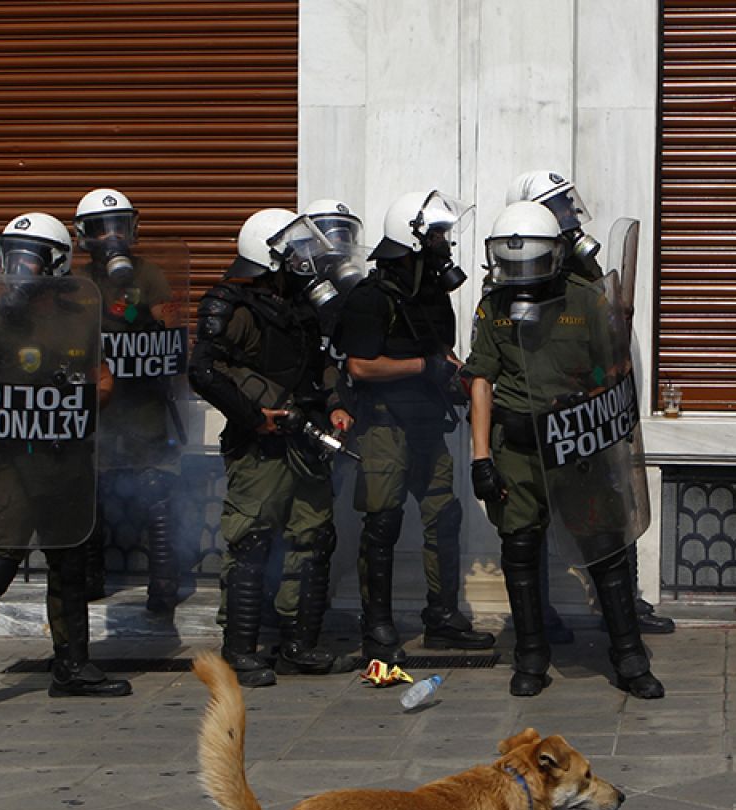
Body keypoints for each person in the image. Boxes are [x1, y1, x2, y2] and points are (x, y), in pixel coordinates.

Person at [0, 213, 132, 726]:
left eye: (31, 256)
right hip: (11, 467)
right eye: (15, 254)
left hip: (65, 462)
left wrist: (80, 399)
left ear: (55, 264)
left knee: (70, 564)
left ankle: (72, 667)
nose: (19, 268)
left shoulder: (79, 319)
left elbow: (103, 380)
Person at [465, 201, 664, 699]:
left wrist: (592, 409)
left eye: (531, 264)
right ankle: (531, 656)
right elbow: (482, 379)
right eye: (513, 266)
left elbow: (614, 371)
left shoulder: (587, 301)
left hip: (578, 443)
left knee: (606, 550)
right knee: (520, 549)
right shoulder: (493, 306)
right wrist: (481, 456)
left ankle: (629, 658)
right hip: (519, 447)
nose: (522, 277)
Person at [189, 208, 356, 688]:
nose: (304, 258)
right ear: (268, 255)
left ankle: (299, 645)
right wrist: (253, 416)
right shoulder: (235, 306)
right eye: (293, 249)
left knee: (313, 537)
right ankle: (239, 650)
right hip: (260, 443)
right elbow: (204, 371)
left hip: (307, 437)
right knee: (254, 541)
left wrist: (338, 404)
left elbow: (321, 366)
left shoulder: (299, 303)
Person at [508, 169, 675, 637]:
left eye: (567, 205)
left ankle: (622, 608)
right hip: (551, 415)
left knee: (610, 508)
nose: (569, 215)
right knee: (534, 523)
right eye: (558, 208)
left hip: (595, 405)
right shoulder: (522, 273)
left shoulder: (582, 268)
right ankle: (538, 614)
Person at [335, 189, 495, 662]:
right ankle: (378, 626)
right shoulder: (370, 298)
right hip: (384, 428)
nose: (446, 244)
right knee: (382, 525)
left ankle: (442, 617)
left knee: (445, 517)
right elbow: (361, 367)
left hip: (428, 427)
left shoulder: (430, 296)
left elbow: (440, 351)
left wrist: (466, 378)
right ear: (412, 242)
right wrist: (422, 368)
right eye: (439, 235)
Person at [72, 188, 188, 619]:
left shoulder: (150, 274)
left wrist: (139, 315)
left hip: (143, 405)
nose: (113, 236)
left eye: (120, 225)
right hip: (100, 409)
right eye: (103, 228)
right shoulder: (75, 280)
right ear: (86, 235)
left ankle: (163, 585)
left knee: (156, 494)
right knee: (90, 496)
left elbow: (171, 328)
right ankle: (87, 579)